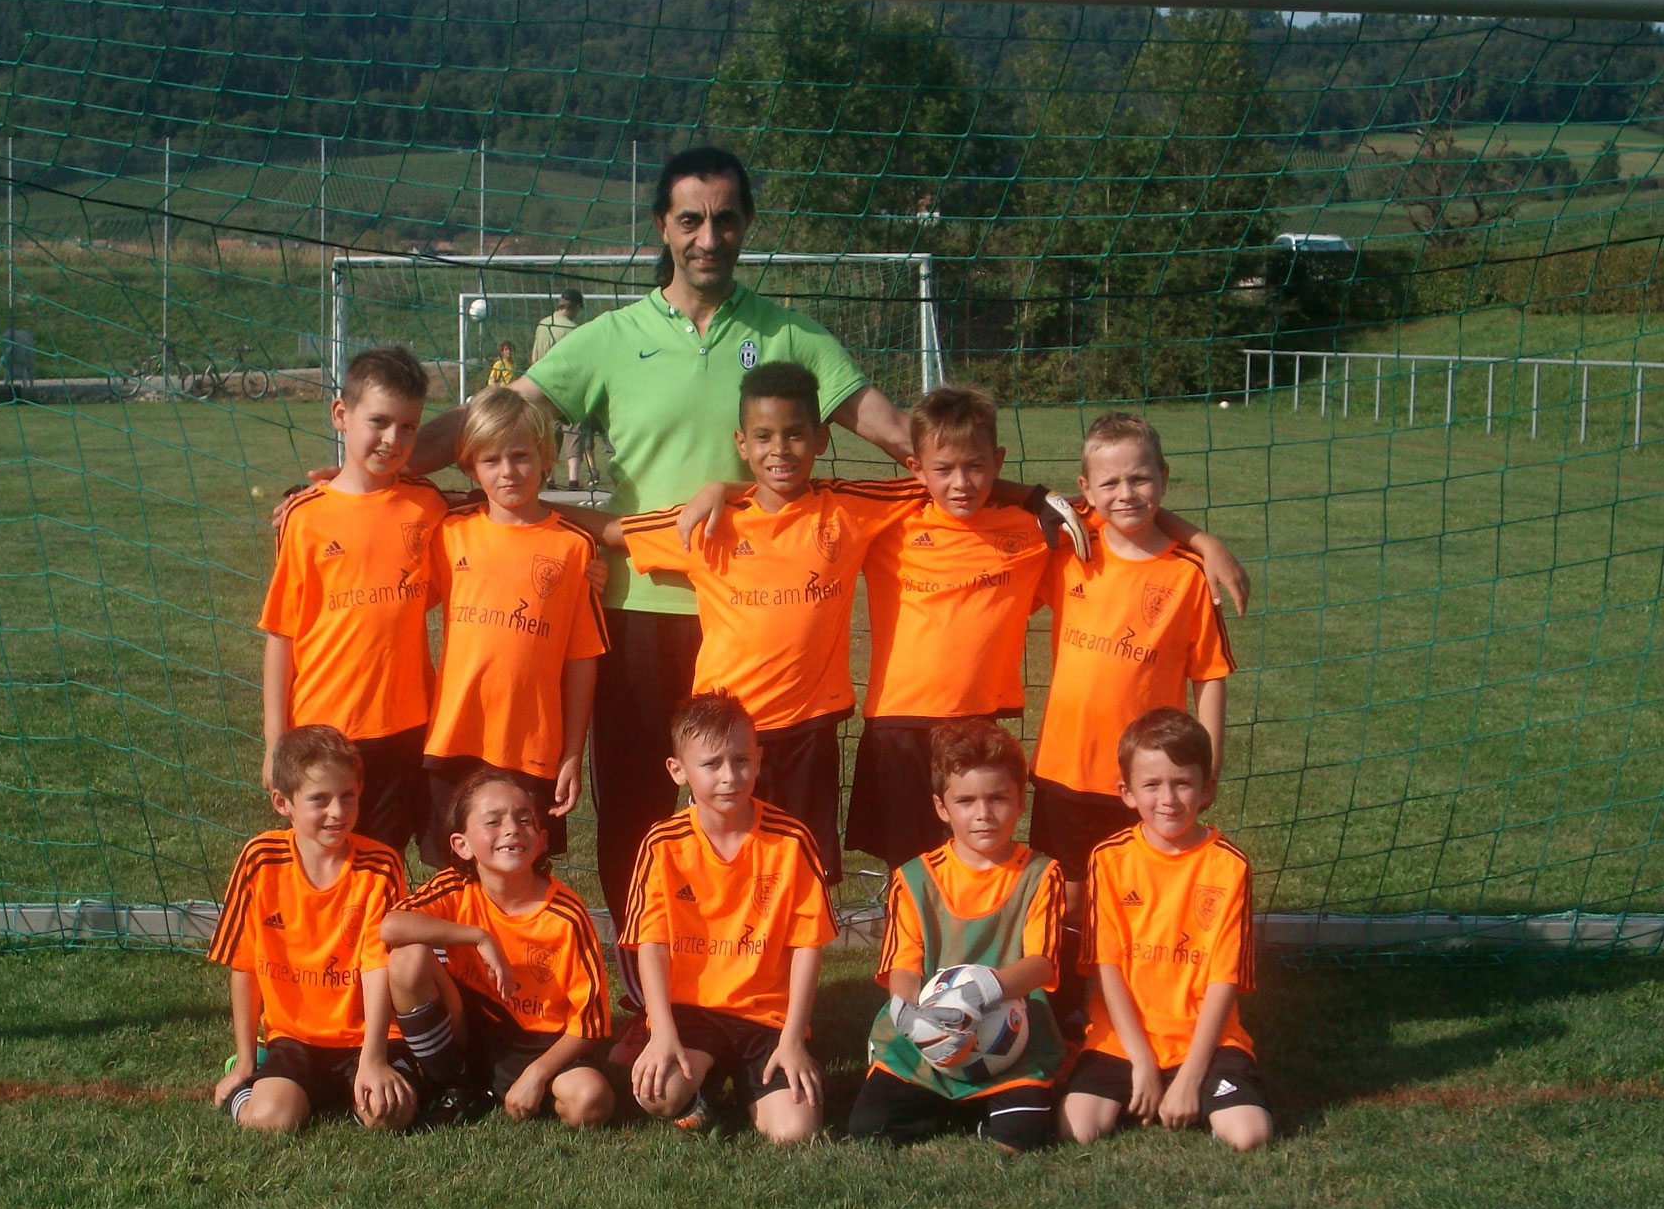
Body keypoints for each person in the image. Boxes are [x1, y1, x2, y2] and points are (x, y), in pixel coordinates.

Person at [399, 148, 1195, 971]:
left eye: (725, 219)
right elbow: (485, 423)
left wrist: (1022, 492)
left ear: (745, 225)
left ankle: (760, 978)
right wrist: (380, 467)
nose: (709, 236)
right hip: (643, 611)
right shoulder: (607, 339)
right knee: (638, 810)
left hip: (757, 640)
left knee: (761, 822)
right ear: (662, 228)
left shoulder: (791, 335)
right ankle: (646, 983)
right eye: (690, 220)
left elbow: (909, 441)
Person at [559, 361, 924, 878]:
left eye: (796, 435)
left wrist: (1037, 499)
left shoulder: (849, 508)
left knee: (801, 876)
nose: (780, 450)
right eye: (764, 436)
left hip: (807, 732)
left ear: (821, 439)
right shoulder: (711, 522)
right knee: (722, 873)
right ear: (741, 442)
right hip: (723, 736)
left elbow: (942, 479)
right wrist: (527, 507)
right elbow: (617, 531)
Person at [1031, 412, 1235, 1036]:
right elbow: (1019, 516)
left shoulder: (1185, 577)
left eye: (1141, 479)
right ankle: (1061, 1003)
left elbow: (1211, 678)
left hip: (1147, 779)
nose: (1126, 495)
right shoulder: (1069, 551)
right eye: (1110, 483)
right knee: (1062, 895)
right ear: (1085, 490)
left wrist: (1209, 767)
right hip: (1064, 764)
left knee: (1133, 894)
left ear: (1164, 480)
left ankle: (1136, 1007)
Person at [844, 384, 1053, 872]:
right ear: (916, 468)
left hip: (977, 724)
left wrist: (1202, 544)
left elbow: (1107, 514)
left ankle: (969, 950)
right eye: (943, 469)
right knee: (911, 870)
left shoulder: (1028, 531)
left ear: (997, 462)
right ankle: (906, 948)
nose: (961, 483)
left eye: (976, 467)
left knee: (973, 860)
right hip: (899, 725)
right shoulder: (887, 524)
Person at [618, 690, 832, 1144]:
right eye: (711, 764)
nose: (729, 777)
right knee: (658, 1095)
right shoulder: (662, 844)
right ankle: (703, 1085)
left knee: (794, 1133)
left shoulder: (791, 840)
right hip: (692, 1012)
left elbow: (807, 946)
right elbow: (651, 946)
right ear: (679, 772)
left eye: (740, 760)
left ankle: (749, 1083)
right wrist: (661, 1033)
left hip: (765, 1017)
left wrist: (794, 1039)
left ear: (758, 758)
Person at [259, 345, 445, 855]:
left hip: (408, 726)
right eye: (379, 421)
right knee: (329, 862)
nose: (393, 439)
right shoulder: (305, 518)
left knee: (384, 864)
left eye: (409, 427)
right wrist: (276, 741)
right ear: (341, 415)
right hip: (326, 731)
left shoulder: (427, 506)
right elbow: (282, 635)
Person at [1059, 708, 1271, 1152]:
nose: (1168, 799)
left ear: (1206, 788)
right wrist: (1141, 1062)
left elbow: (1224, 979)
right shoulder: (1109, 860)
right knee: (1077, 1127)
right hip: (1124, 1038)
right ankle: (1140, 1084)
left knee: (1251, 1135)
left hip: (1205, 1042)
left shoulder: (1229, 866)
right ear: (1127, 793)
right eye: (1152, 785)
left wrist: (1190, 1078)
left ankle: (1194, 1093)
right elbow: (1107, 968)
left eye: (1182, 783)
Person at [849, 719, 1066, 1152]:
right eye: (965, 801)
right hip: (930, 1036)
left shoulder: (1041, 874)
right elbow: (903, 967)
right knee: (868, 1128)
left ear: (1020, 800)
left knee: (1022, 1136)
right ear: (941, 807)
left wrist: (981, 992)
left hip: (1012, 1035)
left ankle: (977, 1111)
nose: (983, 813)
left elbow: (1043, 963)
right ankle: (948, 1101)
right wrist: (914, 1017)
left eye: (998, 798)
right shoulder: (914, 877)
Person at [421, 385, 607, 874]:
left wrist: (572, 753)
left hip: (532, 749)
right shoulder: (450, 534)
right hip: (453, 737)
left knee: (522, 880)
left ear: (546, 457)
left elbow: (581, 659)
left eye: (521, 455)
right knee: (453, 880)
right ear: (469, 467)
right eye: (491, 460)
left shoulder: (573, 548)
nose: (508, 472)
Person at [207, 725, 420, 1134]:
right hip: (295, 1038)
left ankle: (365, 1080)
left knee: (389, 1118)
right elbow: (244, 966)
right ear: (282, 803)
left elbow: (379, 968)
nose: (337, 812)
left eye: (348, 797)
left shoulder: (381, 865)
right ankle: (262, 1080)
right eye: (319, 800)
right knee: (270, 1121)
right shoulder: (259, 860)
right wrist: (246, 1060)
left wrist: (373, 1058)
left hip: (365, 1038)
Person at [380, 768, 614, 1128]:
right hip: (470, 1029)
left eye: (524, 820)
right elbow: (391, 926)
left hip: (540, 1044)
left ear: (541, 841)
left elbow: (591, 1024)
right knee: (407, 956)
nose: (511, 829)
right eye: (493, 821)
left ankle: (518, 1085)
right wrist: (478, 937)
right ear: (462, 845)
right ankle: (452, 1084)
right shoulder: (455, 886)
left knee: (590, 1101)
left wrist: (537, 1074)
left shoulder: (566, 916)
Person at [530, 287, 583, 367]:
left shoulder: (543, 323)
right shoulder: (573, 329)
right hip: (559, 376)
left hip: (539, 374)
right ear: (577, 307)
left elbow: (534, 357)